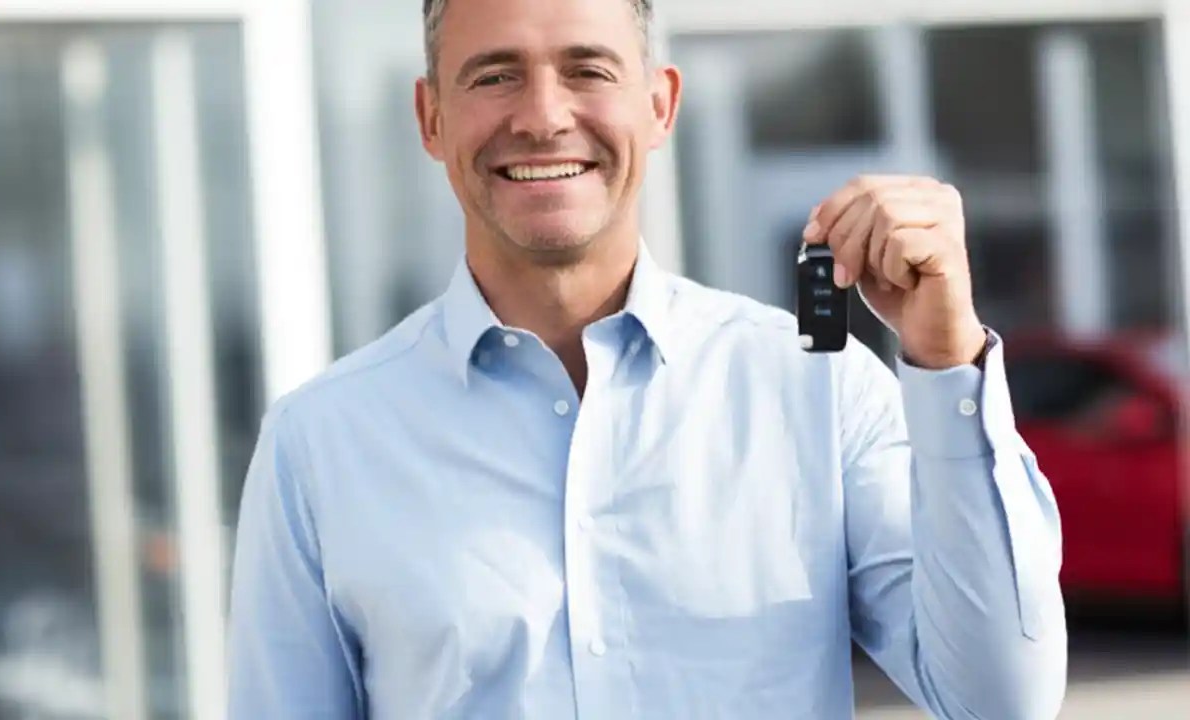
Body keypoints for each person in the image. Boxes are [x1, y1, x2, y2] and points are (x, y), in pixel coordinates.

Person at [227, 0, 1068, 717]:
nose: (543, 115)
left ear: (661, 105)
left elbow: (999, 699)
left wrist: (945, 358)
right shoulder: (320, 442)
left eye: (587, 70)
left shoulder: (819, 390)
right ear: (431, 118)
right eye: (494, 75)